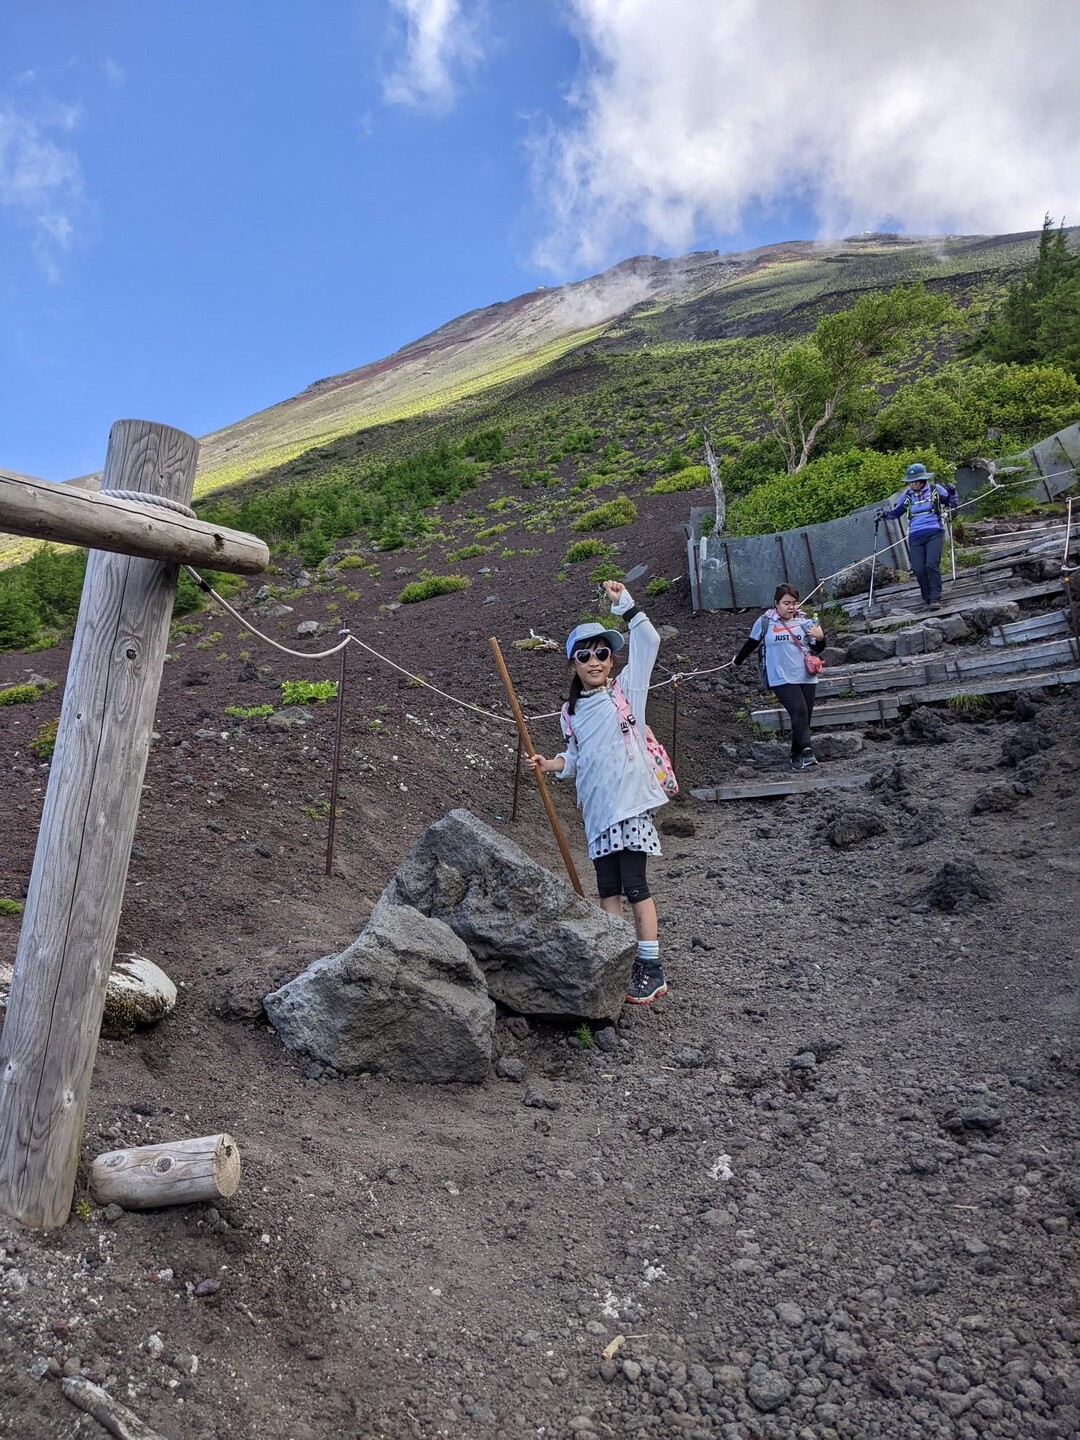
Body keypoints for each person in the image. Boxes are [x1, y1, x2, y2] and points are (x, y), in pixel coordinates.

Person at [526, 579, 671, 1005]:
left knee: (635, 885)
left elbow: (650, 640)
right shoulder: (569, 712)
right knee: (607, 889)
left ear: (612, 659)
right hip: (598, 812)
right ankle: (618, 961)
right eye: (585, 655)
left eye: (603, 653)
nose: (595, 661)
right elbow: (576, 758)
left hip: (630, 805)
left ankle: (651, 967)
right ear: (573, 663)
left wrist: (625, 605)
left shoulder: (627, 692)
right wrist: (550, 765)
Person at [733, 583, 826, 770]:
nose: (791, 607)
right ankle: (807, 751)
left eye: (794, 603)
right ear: (776, 603)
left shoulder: (804, 622)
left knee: (804, 717)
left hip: (806, 676)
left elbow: (817, 649)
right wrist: (737, 661)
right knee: (798, 711)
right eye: (786, 603)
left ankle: (795, 754)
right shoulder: (765, 622)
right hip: (780, 677)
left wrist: (820, 637)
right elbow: (751, 644)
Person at [880, 461, 958, 609]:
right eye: (910, 482)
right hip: (915, 535)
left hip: (934, 532)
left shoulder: (935, 489)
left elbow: (951, 503)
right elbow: (896, 513)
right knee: (918, 569)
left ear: (923, 480)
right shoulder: (907, 495)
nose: (913, 484)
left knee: (931, 564)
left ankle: (935, 598)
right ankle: (927, 598)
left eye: (915, 481)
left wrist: (952, 492)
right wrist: (884, 515)